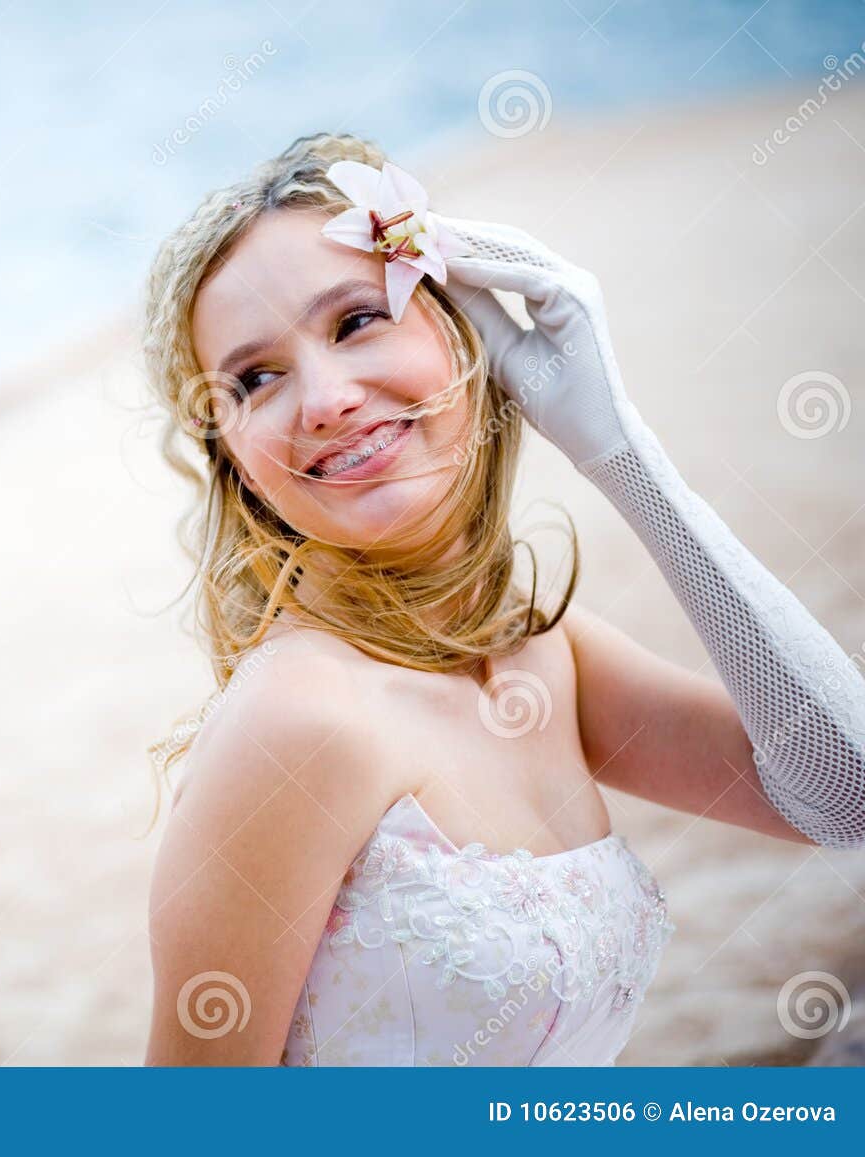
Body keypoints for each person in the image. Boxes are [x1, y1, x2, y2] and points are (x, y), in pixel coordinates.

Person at [139, 132, 865, 1066]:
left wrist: (619, 450)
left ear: (462, 332)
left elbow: (845, 792)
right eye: (255, 379)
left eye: (357, 320)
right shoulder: (296, 723)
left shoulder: (538, 655)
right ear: (233, 457)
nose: (321, 398)